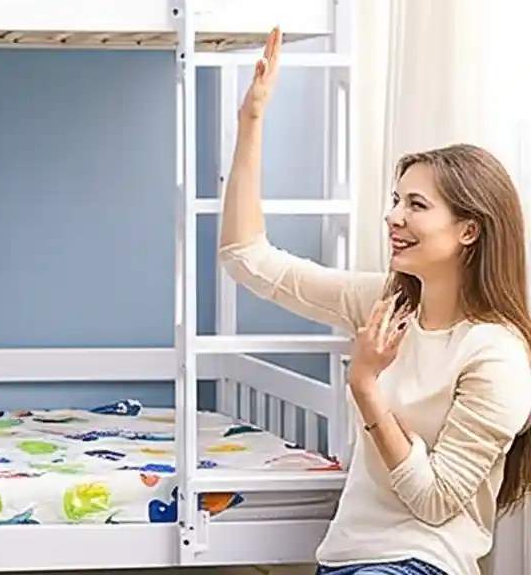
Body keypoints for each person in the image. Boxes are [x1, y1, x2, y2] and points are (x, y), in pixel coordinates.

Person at [217, 28, 531, 575]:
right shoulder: (386, 304)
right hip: (346, 558)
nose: (393, 216)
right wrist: (252, 121)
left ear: (469, 231)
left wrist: (365, 386)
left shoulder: (495, 355)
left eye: (416, 204)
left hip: (421, 562)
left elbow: (434, 500)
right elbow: (248, 259)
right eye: (394, 200)